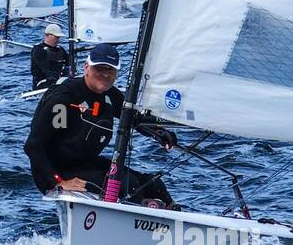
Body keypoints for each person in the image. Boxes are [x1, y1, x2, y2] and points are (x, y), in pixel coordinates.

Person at [24, 43, 178, 208]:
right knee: (128, 186)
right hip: (56, 171)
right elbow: (33, 146)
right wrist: (60, 181)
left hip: (84, 163)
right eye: (99, 69)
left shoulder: (111, 96)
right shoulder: (64, 98)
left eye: (110, 70)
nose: (105, 74)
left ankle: (174, 225)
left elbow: (134, 119)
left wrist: (159, 133)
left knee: (152, 185)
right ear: (87, 67)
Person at [30, 23, 69, 90]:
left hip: (59, 80)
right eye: (56, 37)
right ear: (47, 35)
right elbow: (44, 69)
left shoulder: (60, 49)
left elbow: (69, 63)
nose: (58, 39)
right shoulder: (38, 49)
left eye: (59, 37)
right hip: (42, 82)